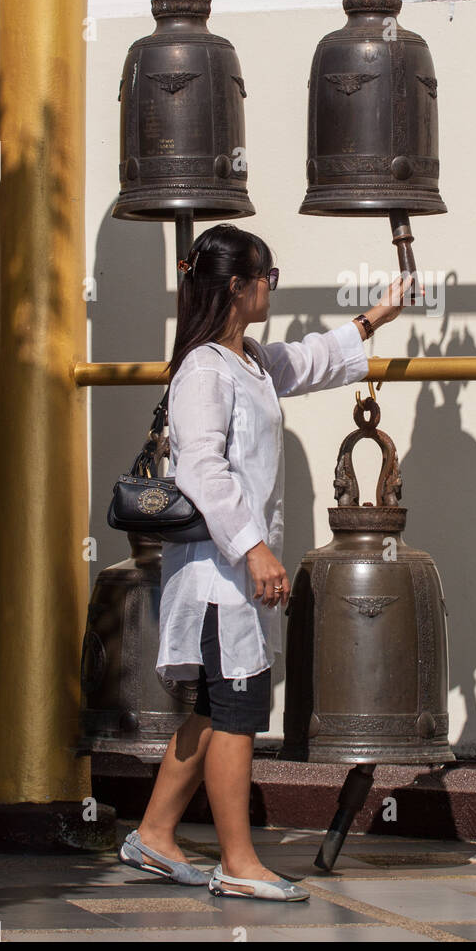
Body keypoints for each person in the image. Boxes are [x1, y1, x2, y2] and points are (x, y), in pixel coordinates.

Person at [119, 223, 414, 900]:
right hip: (219, 573)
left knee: (215, 707)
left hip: (233, 573)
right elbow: (201, 467)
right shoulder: (202, 369)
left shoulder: (247, 359)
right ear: (237, 287)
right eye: (266, 278)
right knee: (238, 709)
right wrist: (253, 548)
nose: (270, 289)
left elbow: (309, 360)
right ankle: (239, 863)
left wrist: (375, 317)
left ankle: (155, 835)